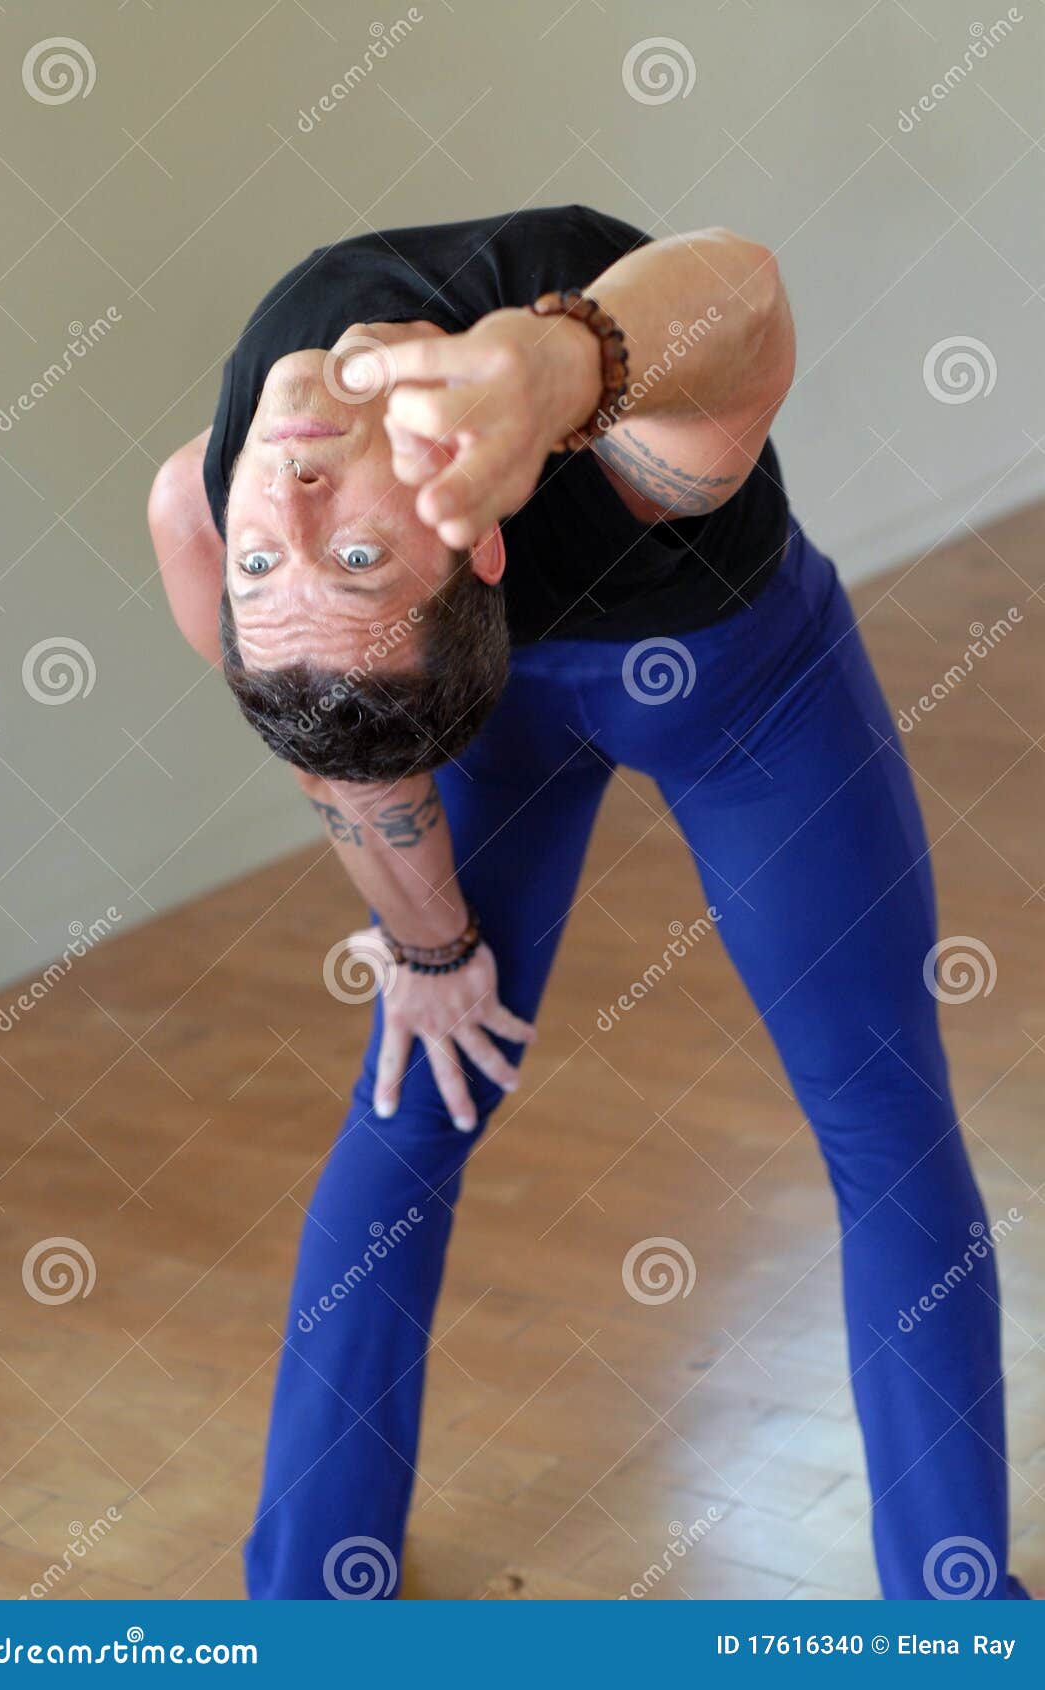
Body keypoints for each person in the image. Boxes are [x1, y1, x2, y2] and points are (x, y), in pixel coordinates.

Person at [148, 204, 1028, 1602]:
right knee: (432, 1082)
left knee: (875, 1106)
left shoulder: (243, 485)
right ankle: (309, 1612)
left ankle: (952, 1620)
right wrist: (430, 946)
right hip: (584, 708)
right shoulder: (243, 521)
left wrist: (561, 365)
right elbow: (344, 743)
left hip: (723, 688)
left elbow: (743, 296)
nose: (289, 511)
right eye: (346, 559)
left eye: (290, 558)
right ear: (479, 552)